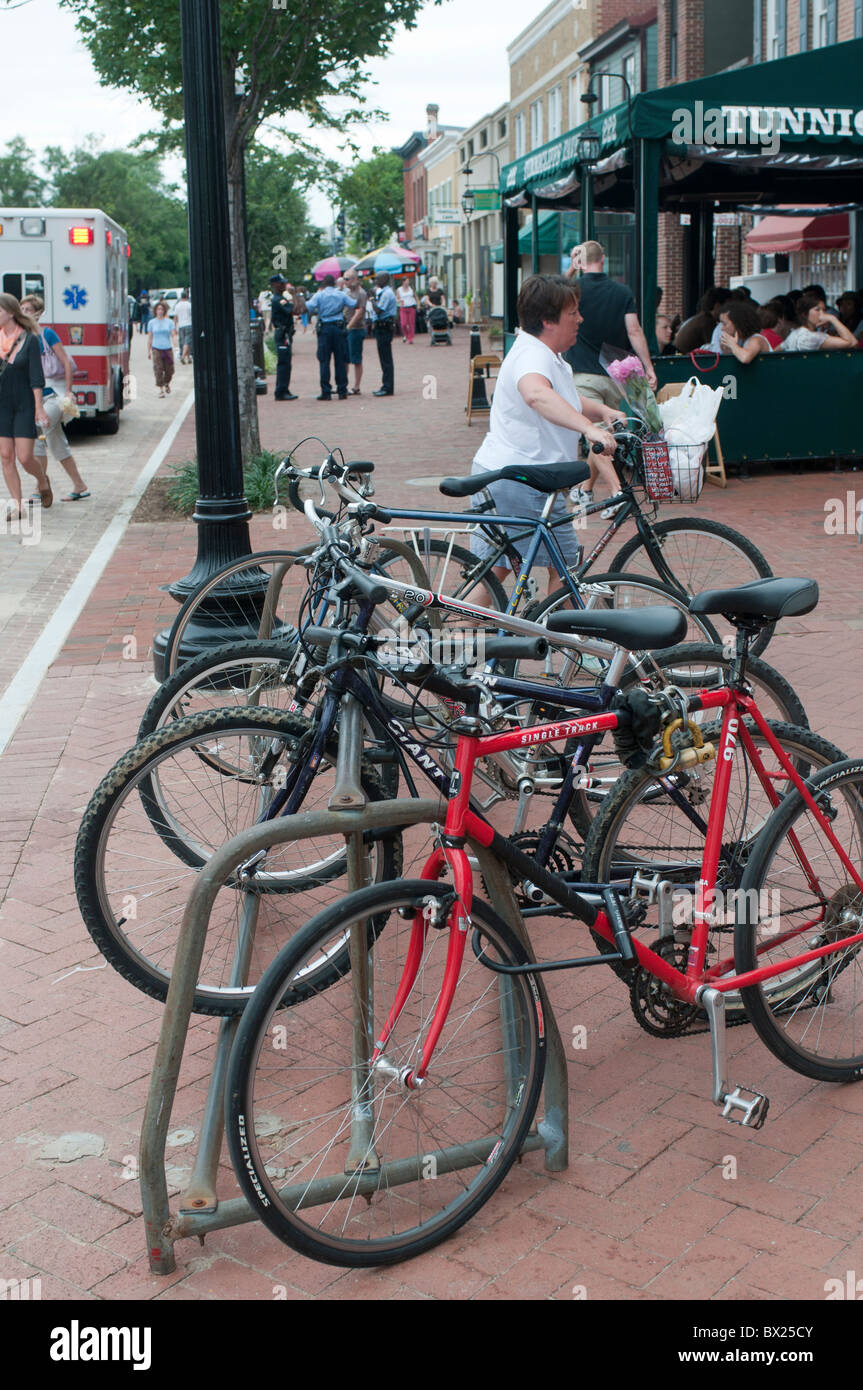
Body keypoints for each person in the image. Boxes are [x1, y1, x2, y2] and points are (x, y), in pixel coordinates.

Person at [470, 273, 622, 592]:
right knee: (560, 567)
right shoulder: (532, 355)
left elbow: (562, 396)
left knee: (502, 569)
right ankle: (560, 639)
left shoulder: (545, 353)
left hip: (513, 474)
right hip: (522, 478)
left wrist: (601, 411)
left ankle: (454, 637)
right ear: (548, 321)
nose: (580, 319)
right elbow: (536, 394)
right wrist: (589, 429)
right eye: (573, 313)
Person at [563, 240, 657, 408]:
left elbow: (551, 292)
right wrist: (648, 367)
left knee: (598, 431)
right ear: (603, 259)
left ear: (580, 262)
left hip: (582, 375)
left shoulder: (572, 291)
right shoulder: (623, 292)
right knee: (611, 426)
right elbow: (634, 331)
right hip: (614, 377)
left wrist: (571, 270)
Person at [20, 295, 89, 501]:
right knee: (55, 440)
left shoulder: (47, 334)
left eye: (28, 309)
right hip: (37, 396)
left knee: (40, 432)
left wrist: (68, 391)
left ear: (38, 313)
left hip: (55, 394)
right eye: (21, 309)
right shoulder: (21, 337)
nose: (23, 313)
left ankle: (41, 487)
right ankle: (78, 484)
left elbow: (66, 362)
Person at [0, 292, 51, 520]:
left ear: (11, 313)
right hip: (2, 404)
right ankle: (17, 505)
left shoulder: (30, 339)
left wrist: (39, 407)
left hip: (24, 404)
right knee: (6, 456)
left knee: (24, 457)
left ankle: (42, 481)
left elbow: (36, 377)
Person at [305, 274, 357, 400]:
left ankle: (326, 391)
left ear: (323, 284)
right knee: (340, 360)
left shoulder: (319, 295)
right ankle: (342, 390)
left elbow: (309, 306)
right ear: (334, 283)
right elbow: (353, 304)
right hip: (338, 328)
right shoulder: (341, 294)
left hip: (325, 329)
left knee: (324, 360)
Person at [780, 292, 858, 351]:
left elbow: (775, 350)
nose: (823, 314)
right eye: (817, 310)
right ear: (805, 314)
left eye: (824, 310)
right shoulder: (813, 338)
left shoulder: (794, 334)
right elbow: (852, 342)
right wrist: (833, 319)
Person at [269, 274, 297, 401]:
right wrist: (294, 297)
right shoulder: (278, 299)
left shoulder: (280, 298)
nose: (283, 285)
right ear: (275, 285)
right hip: (282, 334)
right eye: (281, 283)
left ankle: (284, 388)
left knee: (286, 363)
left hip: (285, 333)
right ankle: (281, 391)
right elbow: (292, 310)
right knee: (284, 363)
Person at [673, 287, 727, 354]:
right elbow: (714, 351)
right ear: (717, 306)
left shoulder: (700, 318)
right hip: (685, 361)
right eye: (728, 306)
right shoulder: (707, 322)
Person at [369, 273, 397, 396]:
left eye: (378, 278)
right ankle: (386, 385)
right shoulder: (384, 292)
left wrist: (372, 299)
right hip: (382, 326)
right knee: (384, 358)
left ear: (385, 279)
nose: (376, 280)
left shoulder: (386, 293)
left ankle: (388, 387)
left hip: (384, 326)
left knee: (386, 359)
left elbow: (379, 309)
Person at [343, 268, 367, 394]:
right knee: (345, 358)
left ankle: (356, 386)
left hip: (356, 329)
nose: (345, 281)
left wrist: (348, 326)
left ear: (354, 279)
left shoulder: (361, 293)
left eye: (346, 279)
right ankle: (344, 384)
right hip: (347, 328)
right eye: (344, 279)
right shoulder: (346, 292)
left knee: (356, 359)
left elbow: (359, 312)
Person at [147, 300, 177, 397]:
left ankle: (166, 382)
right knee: (158, 369)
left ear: (164, 311)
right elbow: (150, 337)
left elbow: (173, 335)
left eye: (162, 309)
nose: (160, 311)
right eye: (158, 309)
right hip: (156, 348)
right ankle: (161, 390)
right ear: (155, 311)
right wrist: (148, 351)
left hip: (167, 348)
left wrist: (176, 346)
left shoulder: (169, 322)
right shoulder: (151, 323)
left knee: (170, 370)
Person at [172, 291, 193, 364]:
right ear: (186, 296)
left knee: (183, 342)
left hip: (181, 325)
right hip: (189, 324)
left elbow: (175, 317)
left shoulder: (177, 306)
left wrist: (174, 327)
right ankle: (183, 356)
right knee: (187, 341)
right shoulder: (189, 305)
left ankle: (189, 357)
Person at [396, 279, 417, 343]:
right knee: (403, 324)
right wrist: (398, 301)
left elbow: (415, 297)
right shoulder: (399, 289)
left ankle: (410, 338)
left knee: (411, 323)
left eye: (408, 281)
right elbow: (397, 298)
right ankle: (406, 334)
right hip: (403, 308)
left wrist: (418, 304)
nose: (408, 282)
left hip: (411, 307)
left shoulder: (411, 289)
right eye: (406, 281)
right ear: (403, 282)